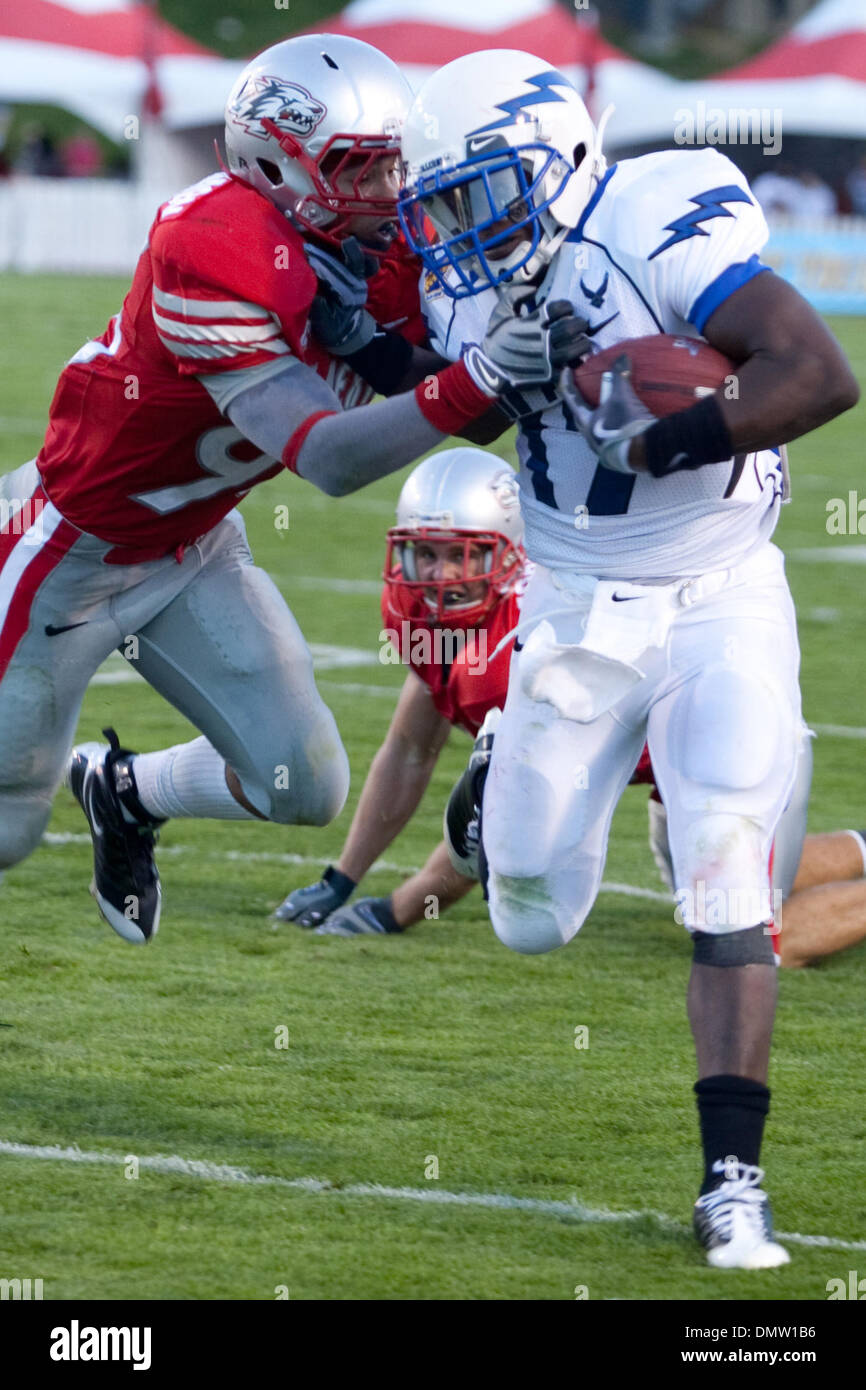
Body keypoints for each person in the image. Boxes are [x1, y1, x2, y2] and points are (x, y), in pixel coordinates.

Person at [398, 49, 859, 1268]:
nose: (455, 230)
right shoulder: (466, 287)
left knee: (720, 869)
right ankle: (508, 783)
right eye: (439, 204)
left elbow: (816, 372)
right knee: (531, 914)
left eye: (478, 193)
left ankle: (730, 1182)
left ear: (553, 168)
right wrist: (501, 382)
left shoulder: (654, 218)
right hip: (570, 602)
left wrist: (664, 436)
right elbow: (463, 396)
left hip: (716, 589)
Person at [0, 35, 589, 943]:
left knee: (301, 784)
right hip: (67, 553)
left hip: (193, 549)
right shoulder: (212, 246)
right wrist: (473, 374)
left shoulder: (377, 249)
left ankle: (123, 791)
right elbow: (326, 457)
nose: (390, 192)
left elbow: (467, 413)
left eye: (394, 165)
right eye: (359, 168)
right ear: (274, 160)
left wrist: (502, 349)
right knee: (8, 828)